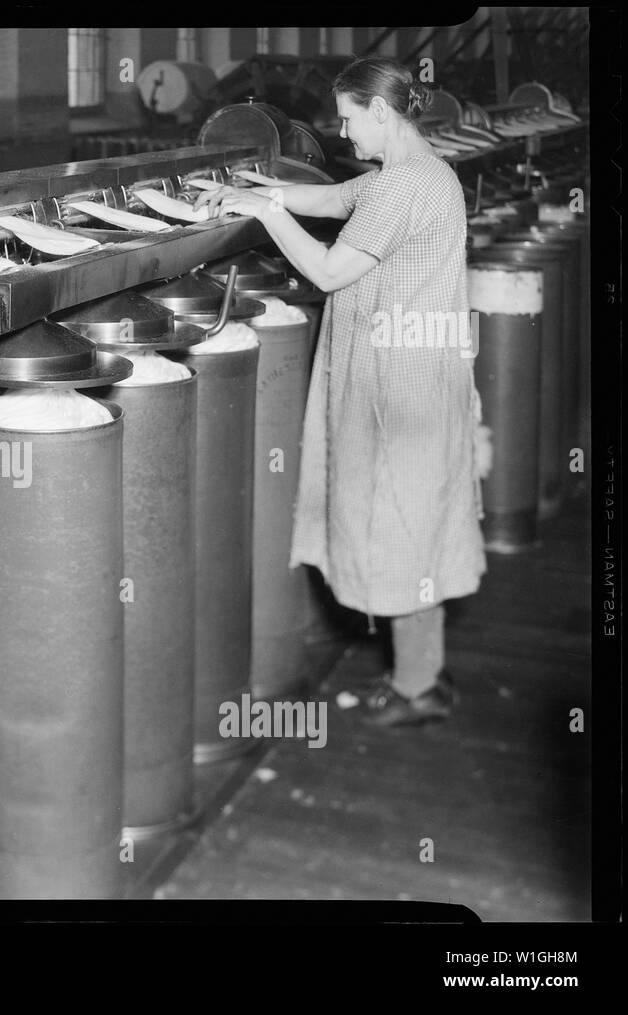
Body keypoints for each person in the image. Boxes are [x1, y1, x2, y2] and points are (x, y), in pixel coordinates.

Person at [196, 57, 486, 727]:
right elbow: (331, 200)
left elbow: (327, 271)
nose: (346, 135)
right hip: (427, 376)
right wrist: (256, 185)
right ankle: (423, 677)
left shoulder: (397, 189)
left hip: (399, 391)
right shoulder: (425, 173)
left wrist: (265, 212)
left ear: (381, 112)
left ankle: (418, 688)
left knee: (400, 528)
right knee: (420, 526)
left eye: (351, 120)